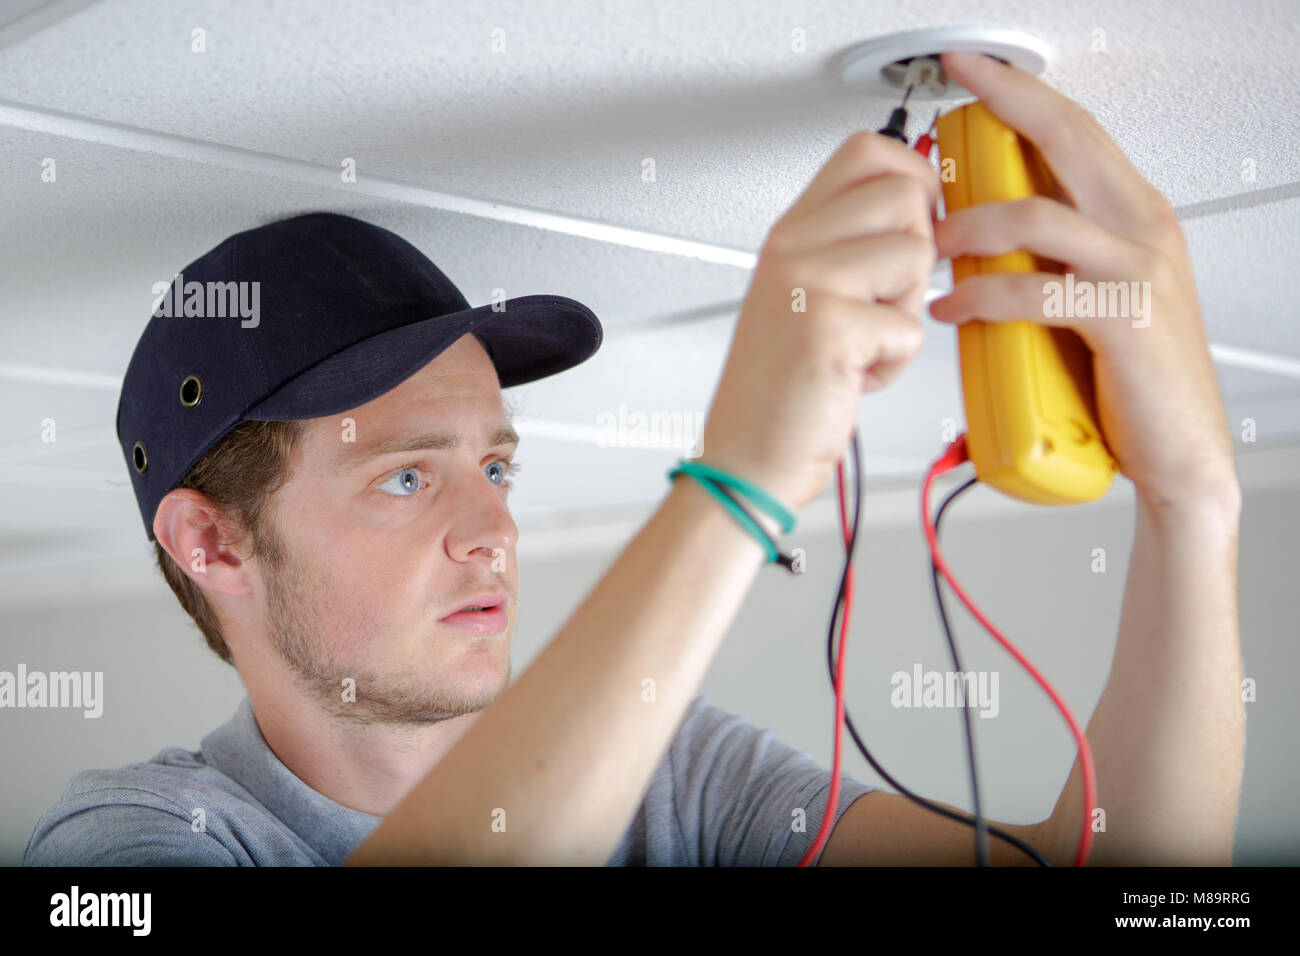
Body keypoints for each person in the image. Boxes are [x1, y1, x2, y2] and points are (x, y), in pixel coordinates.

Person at [24, 51, 1243, 866]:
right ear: (212, 540)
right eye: (406, 474)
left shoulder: (676, 773)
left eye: (494, 466)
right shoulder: (129, 840)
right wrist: (740, 477)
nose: (490, 528)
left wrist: (1193, 498)